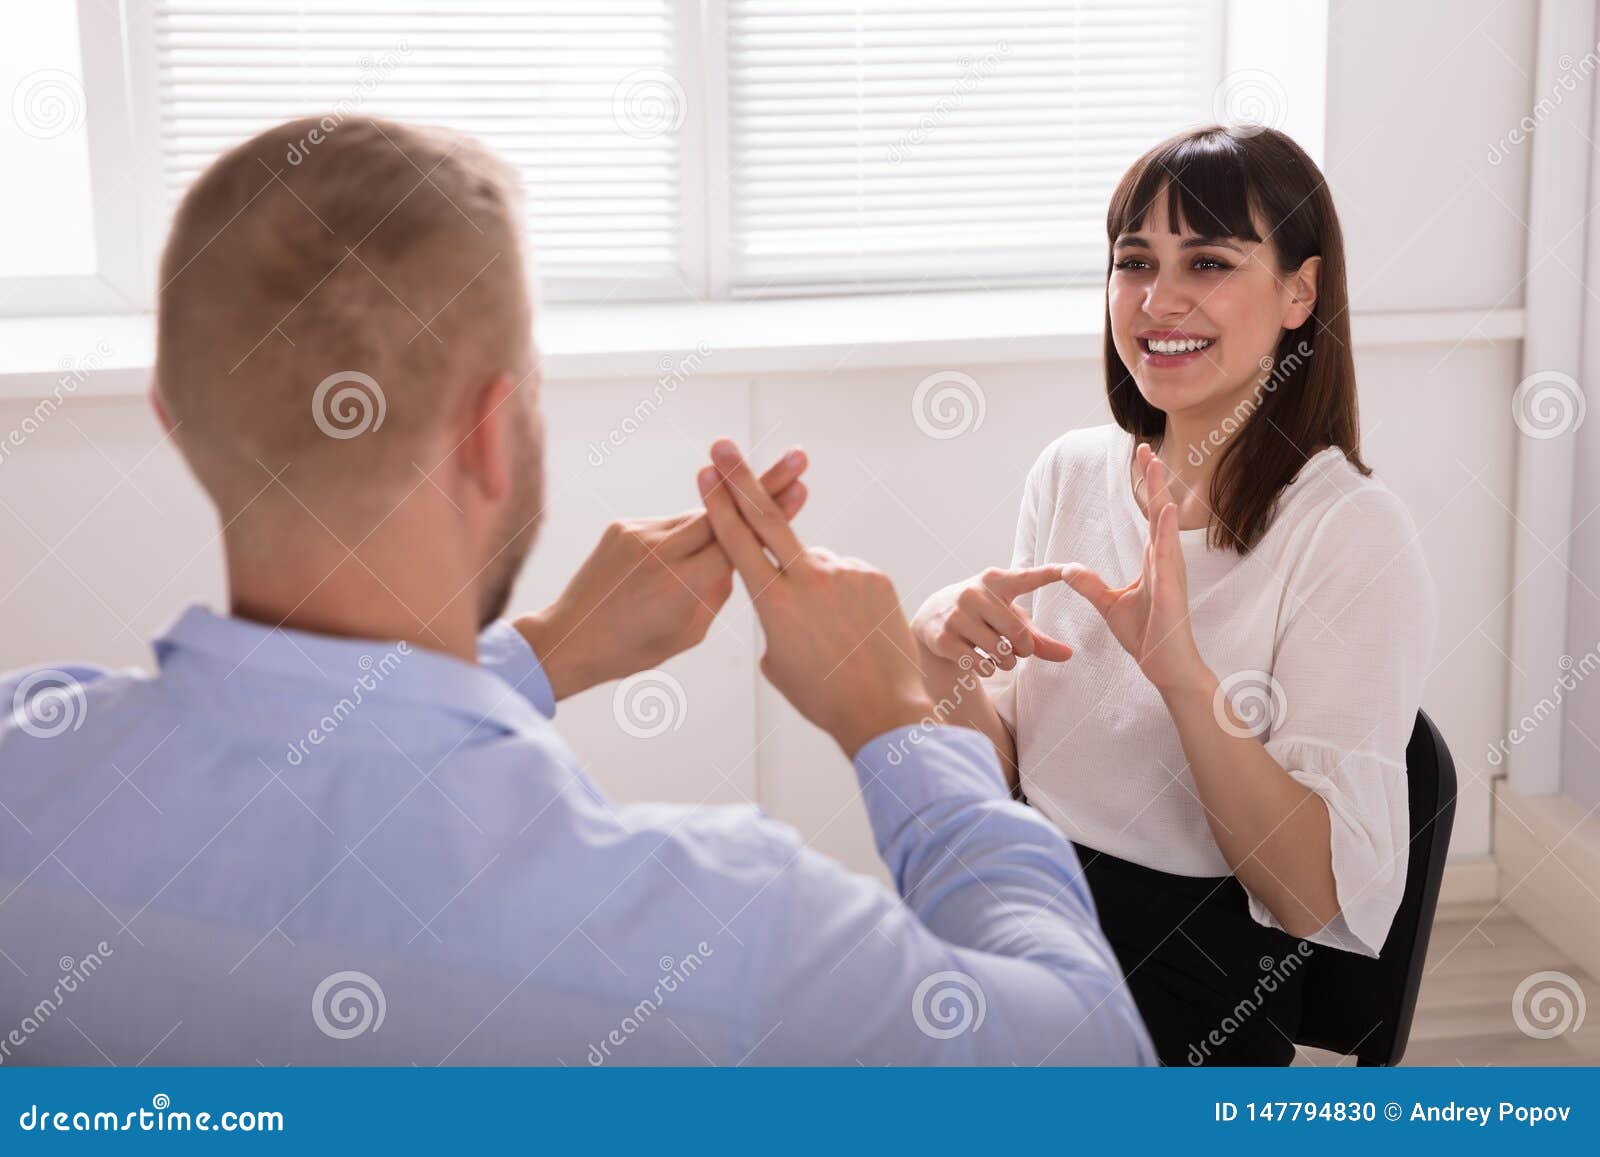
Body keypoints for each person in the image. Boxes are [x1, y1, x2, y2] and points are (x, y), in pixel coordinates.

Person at [0, 116, 1152, 1066]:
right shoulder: (734, 931)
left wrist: (544, 651)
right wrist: (897, 725)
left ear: (174, 417)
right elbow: (1093, 1069)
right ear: (494, 437)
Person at [911, 126, 1438, 1065]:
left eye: (1208, 260)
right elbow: (1009, 785)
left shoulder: (1352, 532)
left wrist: (1183, 680)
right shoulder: (1069, 471)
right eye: (1134, 262)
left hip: (1196, 979)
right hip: (1031, 917)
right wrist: (937, 661)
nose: (1159, 300)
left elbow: (1313, 896)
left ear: (1299, 293)